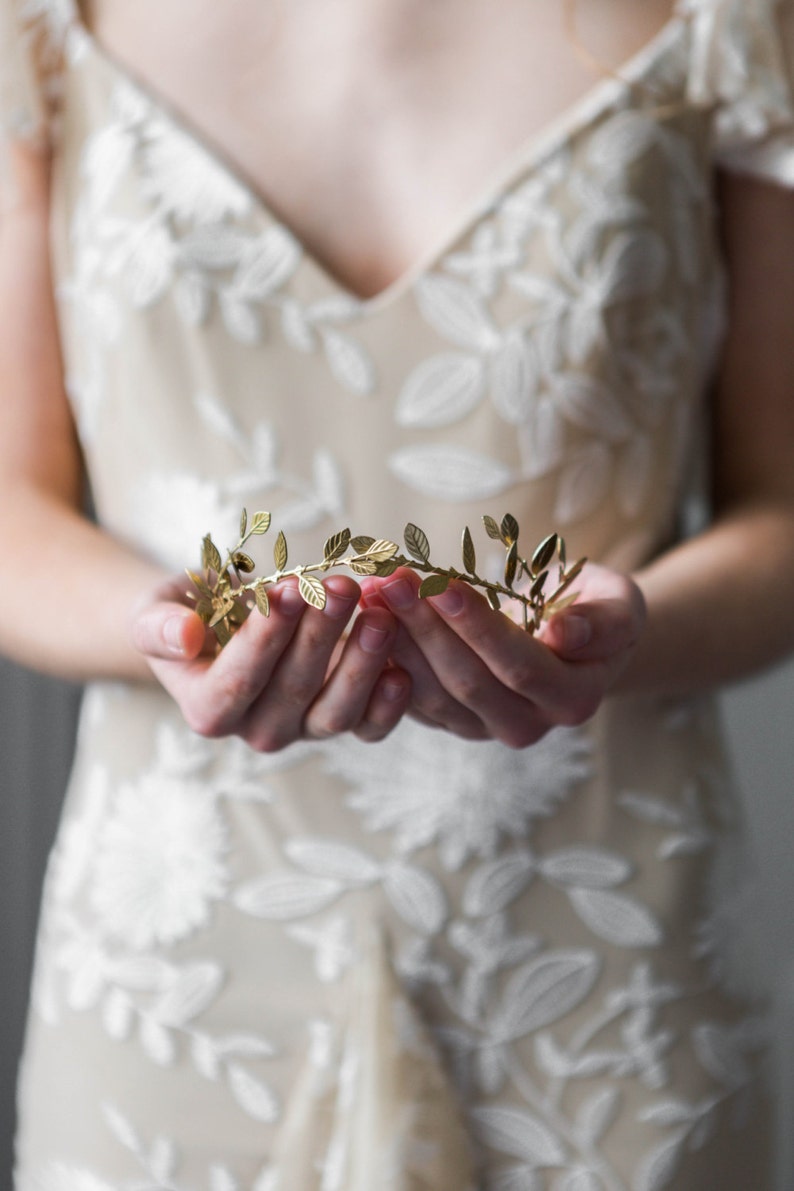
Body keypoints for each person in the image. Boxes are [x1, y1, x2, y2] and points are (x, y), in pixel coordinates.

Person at [2, 0, 794, 1186]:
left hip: (601, 958)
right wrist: (160, 631)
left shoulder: (734, 21)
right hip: (177, 968)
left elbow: (779, 502)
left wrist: (625, 634)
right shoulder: (41, 26)